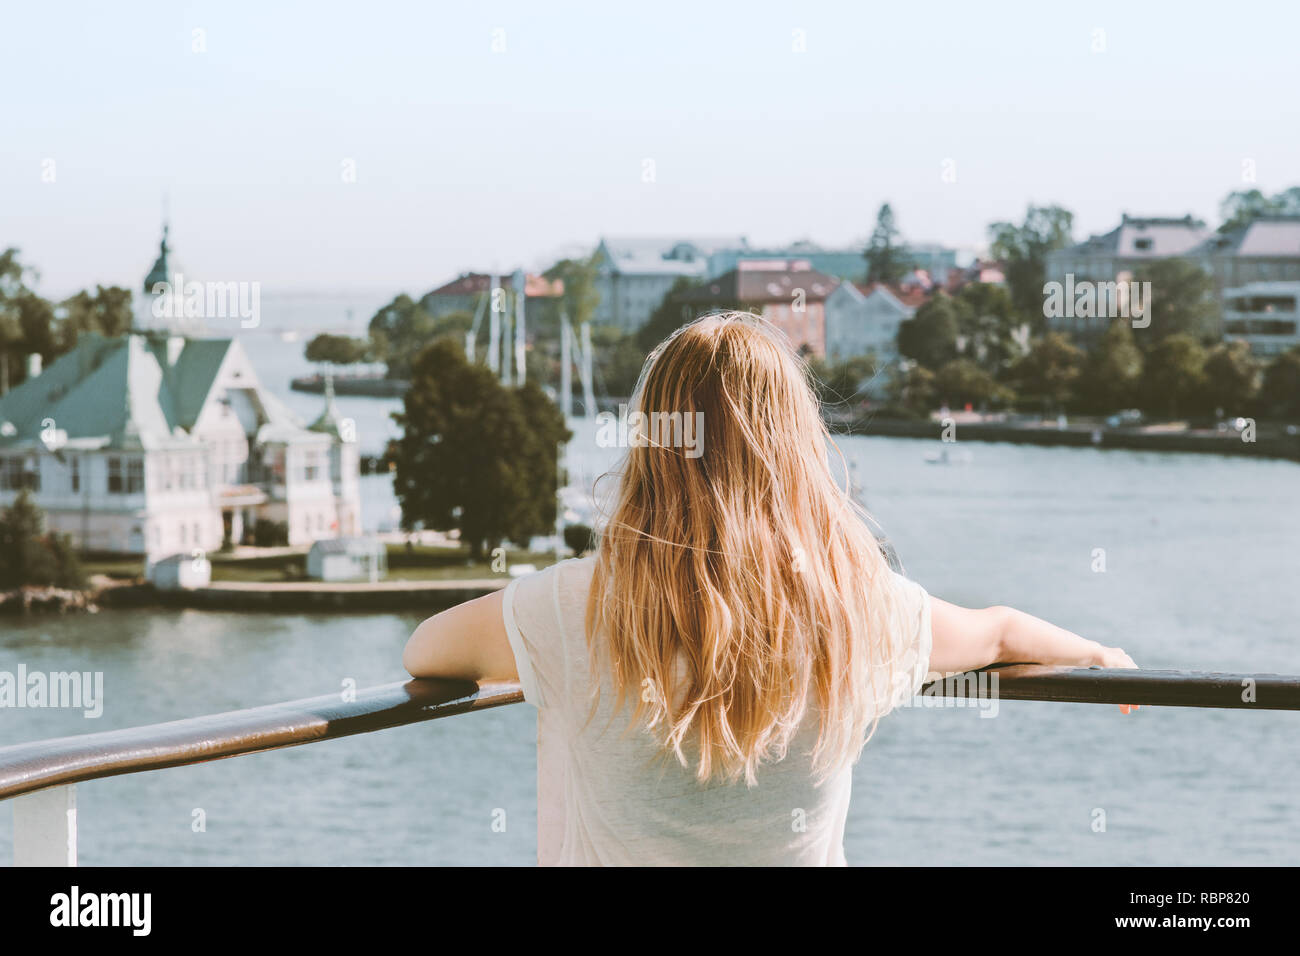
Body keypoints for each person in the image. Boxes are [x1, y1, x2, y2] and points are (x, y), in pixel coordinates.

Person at [403, 312, 1138, 866]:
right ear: (795, 445)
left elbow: (424, 651)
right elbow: (1002, 633)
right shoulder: (860, 610)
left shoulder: (571, 608)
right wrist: (1097, 653)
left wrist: (552, 675)